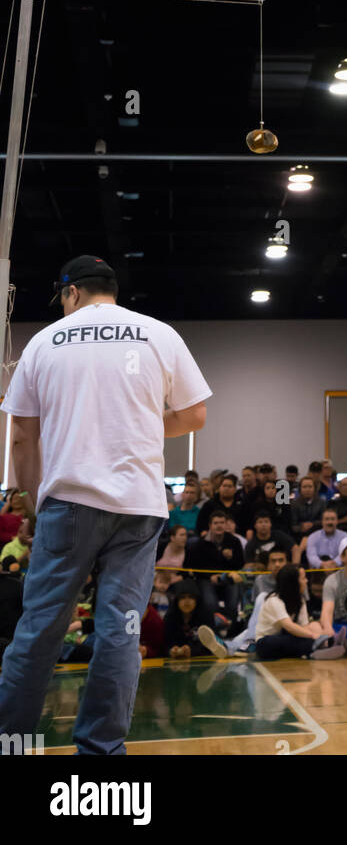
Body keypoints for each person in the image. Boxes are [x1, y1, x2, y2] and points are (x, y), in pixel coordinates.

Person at [0, 254, 211, 755]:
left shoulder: (44, 342)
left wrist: (31, 503)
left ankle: (11, 744)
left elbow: (23, 438)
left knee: (38, 632)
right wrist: (135, 424)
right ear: (111, 291)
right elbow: (195, 415)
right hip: (139, 507)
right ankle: (100, 752)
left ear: (70, 293)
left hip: (69, 502)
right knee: (121, 631)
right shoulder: (158, 333)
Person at [162, 579, 218, 659]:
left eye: (191, 597)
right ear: (176, 601)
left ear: (197, 600)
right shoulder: (170, 617)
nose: (187, 601)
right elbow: (164, 643)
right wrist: (170, 651)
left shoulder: (206, 615)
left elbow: (211, 643)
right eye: (182, 597)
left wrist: (192, 651)